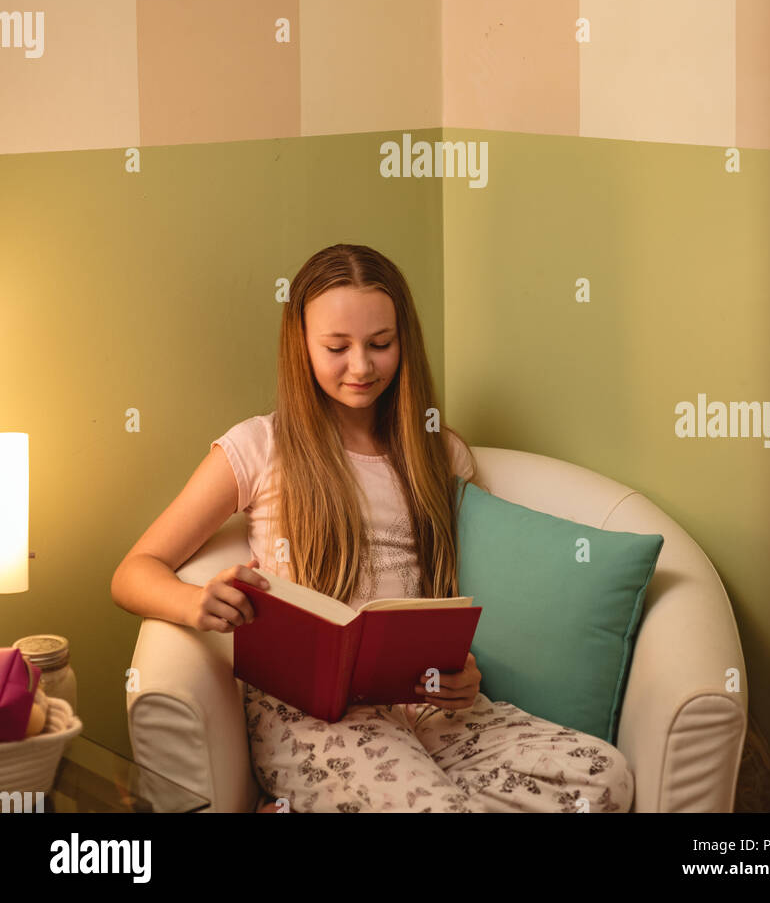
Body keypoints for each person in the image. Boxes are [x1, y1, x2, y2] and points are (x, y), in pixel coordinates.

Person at [112, 243, 634, 814]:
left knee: (601, 777)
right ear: (301, 346)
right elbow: (134, 572)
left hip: (427, 703)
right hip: (314, 716)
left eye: (380, 345)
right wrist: (196, 605)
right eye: (336, 348)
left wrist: (465, 675)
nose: (360, 367)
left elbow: (453, 601)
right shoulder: (258, 447)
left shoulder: (440, 453)